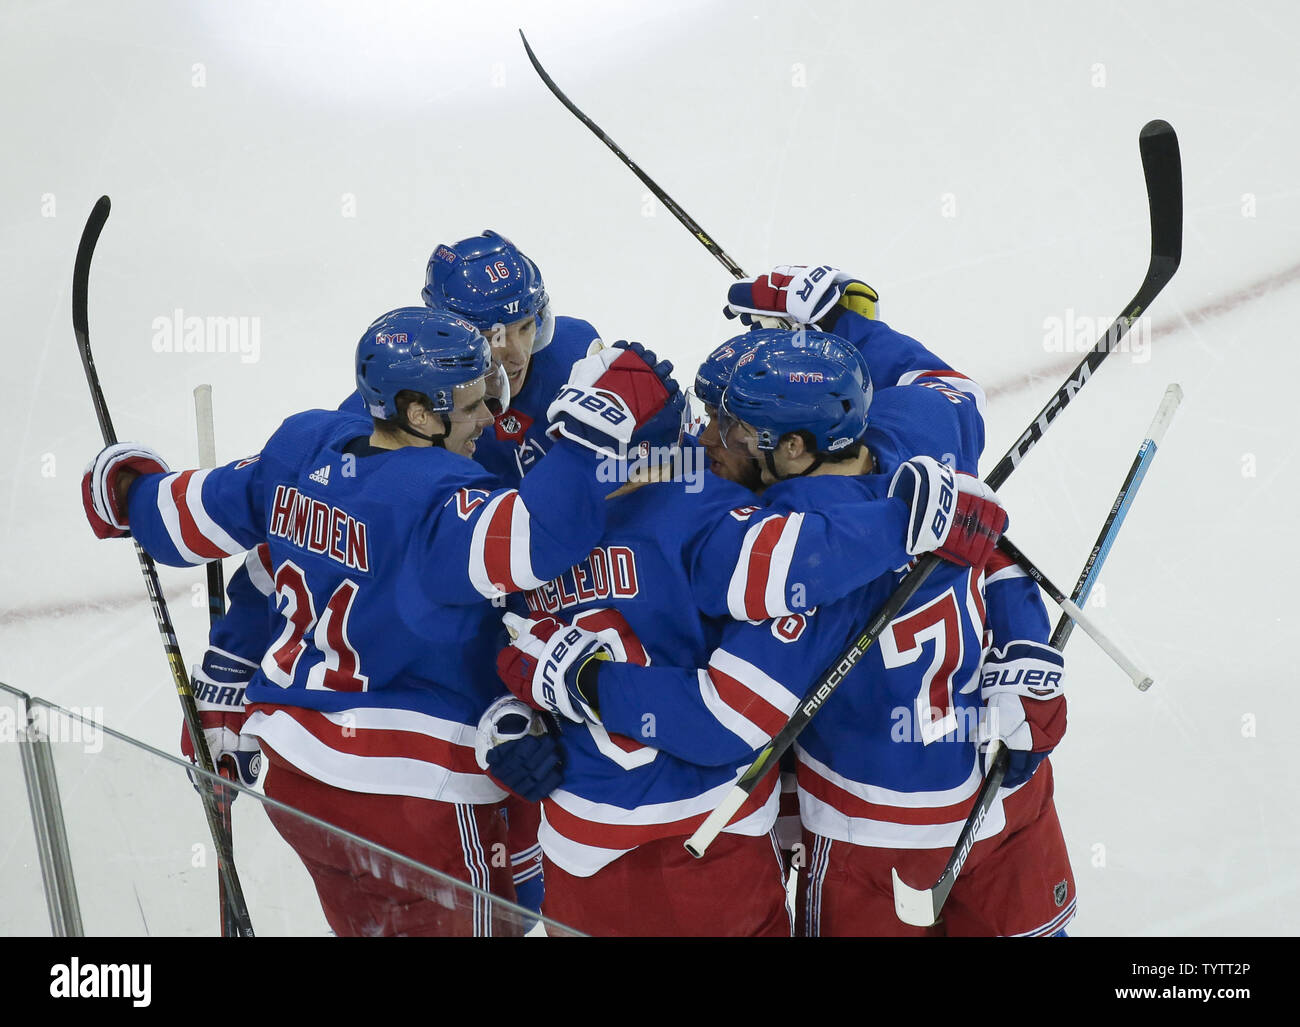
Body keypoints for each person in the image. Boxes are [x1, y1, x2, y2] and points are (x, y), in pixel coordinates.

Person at [81, 307, 677, 936]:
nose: (489, 420)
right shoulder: (439, 504)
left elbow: (180, 515)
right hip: (411, 801)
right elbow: (540, 535)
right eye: (471, 405)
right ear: (420, 413)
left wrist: (123, 489)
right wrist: (589, 433)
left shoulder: (301, 449)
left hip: (300, 783)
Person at [503, 333, 1073, 937]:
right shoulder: (925, 442)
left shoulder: (787, 560)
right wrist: (1028, 653)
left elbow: (729, 719)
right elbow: (987, 518)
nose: (706, 442)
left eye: (731, 428)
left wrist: (582, 679)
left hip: (875, 829)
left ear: (794, 447)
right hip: (1008, 792)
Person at [186, 229, 602, 927]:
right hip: (457, 698)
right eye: (487, 333)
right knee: (499, 903)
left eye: (524, 326)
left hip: (555, 653)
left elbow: (638, 521)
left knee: (531, 896)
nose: (511, 353)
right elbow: (304, 542)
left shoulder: (581, 363)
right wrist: (230, 659)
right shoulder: (373, 422)